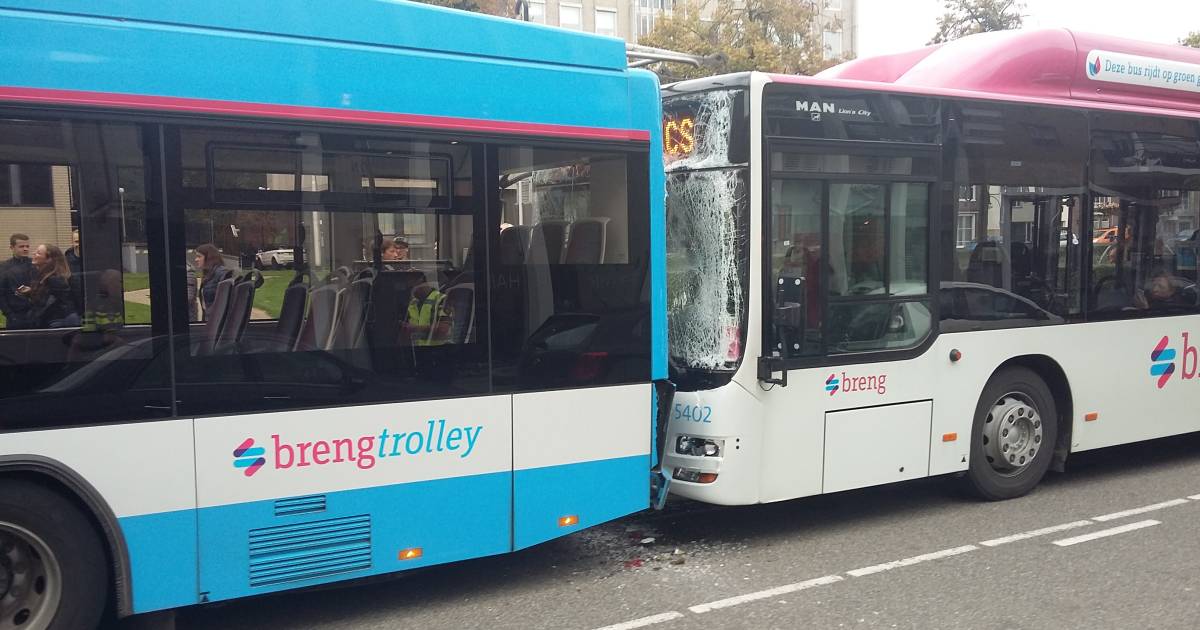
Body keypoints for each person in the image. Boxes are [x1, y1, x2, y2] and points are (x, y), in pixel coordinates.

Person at [14, 244, 78, 328]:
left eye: (38, 253)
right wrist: (31, 292)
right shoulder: (43, 275)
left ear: (49, 259)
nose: (33, 253)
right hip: (49, 322)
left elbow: (56, 303)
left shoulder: (55, 279)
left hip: (55, 323)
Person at [0, 233, 35, 329]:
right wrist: (10, 314)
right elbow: (1, 293)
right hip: (15, 315)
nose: (25, 249)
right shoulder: (3, 267)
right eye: (21, 246)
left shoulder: (35, 264)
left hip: (36, 314)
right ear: (12, 247)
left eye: (27, 246)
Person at [195, 243, 228, 315]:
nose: (196, 259)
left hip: (217, 319)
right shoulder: (208, 274)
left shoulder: (221, 272)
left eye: (199, 256)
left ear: (209, 258)